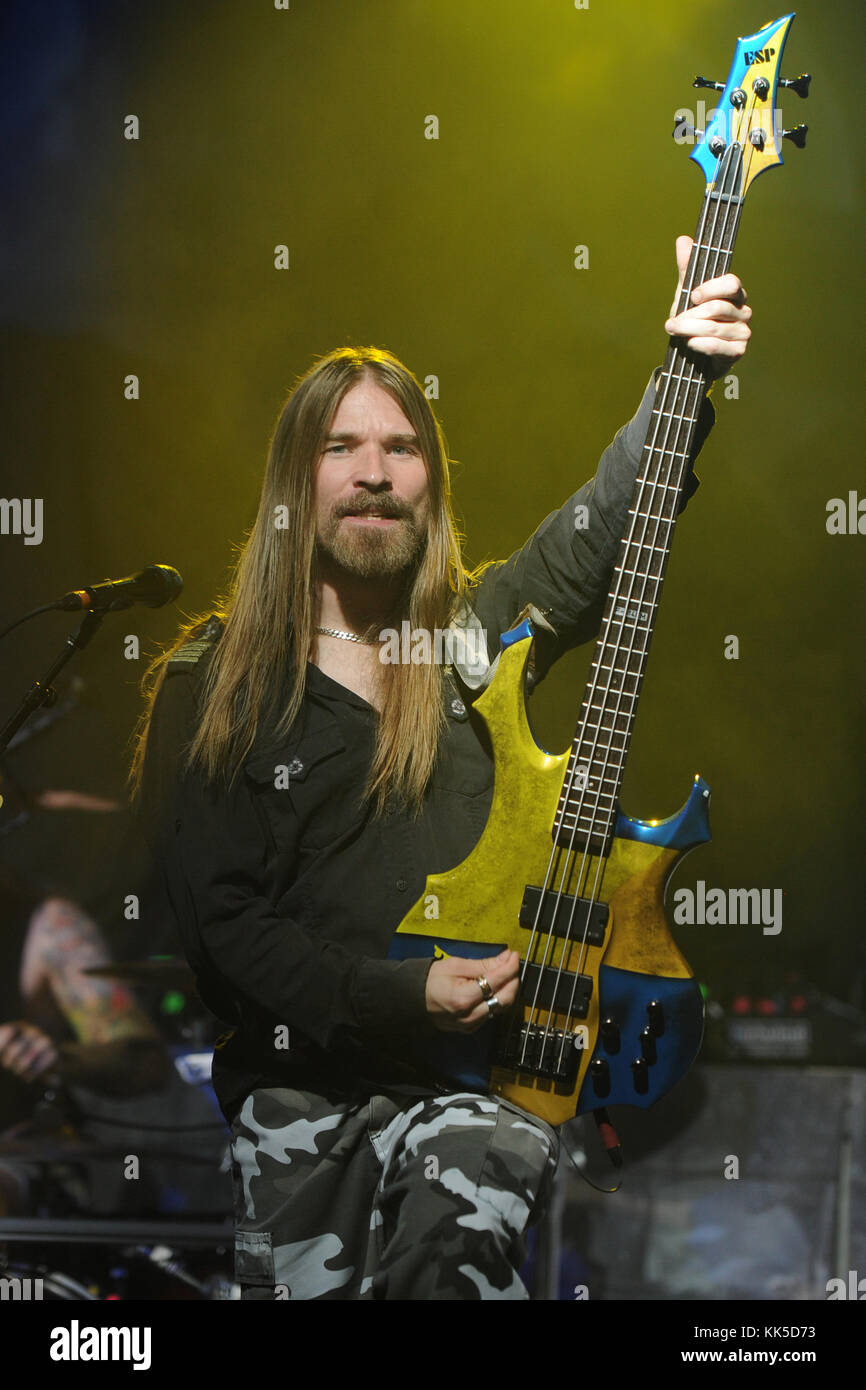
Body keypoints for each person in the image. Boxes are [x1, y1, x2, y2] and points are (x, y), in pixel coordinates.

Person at [130, 236, 751, 1299]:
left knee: (454, 1246)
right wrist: (403, 992)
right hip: (300, 1095)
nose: (374, 472)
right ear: (296, 479)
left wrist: (683, 374)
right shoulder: (213, 684)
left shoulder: (474, 636)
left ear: (432, 477)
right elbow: (226, 935)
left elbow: (601, 530)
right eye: (341, 447)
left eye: (400, 446)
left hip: (479, 1087)